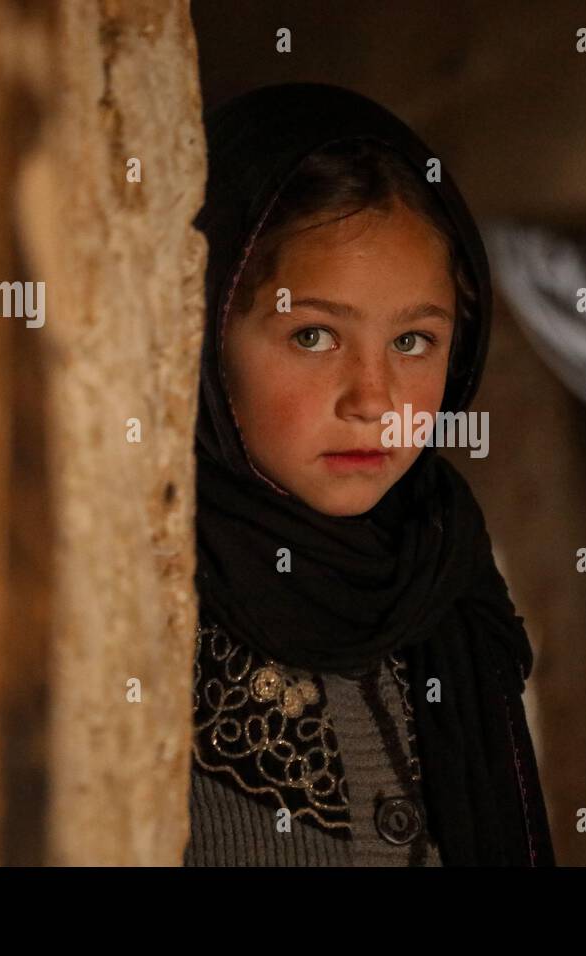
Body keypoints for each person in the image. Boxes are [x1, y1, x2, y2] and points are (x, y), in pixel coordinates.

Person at [186, 82, 554, 867]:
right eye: (313, 335)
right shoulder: (135, 602)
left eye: (413, 342)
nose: (374, 401)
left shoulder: (450, 576)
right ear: (205, 333)